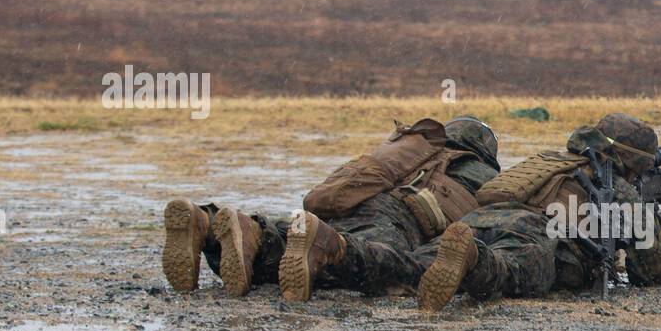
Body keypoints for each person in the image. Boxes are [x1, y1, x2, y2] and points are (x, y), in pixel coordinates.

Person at [290, 113, 661, 311]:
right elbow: (653, 271)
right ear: (633, 162)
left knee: (408, 268)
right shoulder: (620, 189)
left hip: (476, 220)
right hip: (536, 237)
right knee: (502, 273)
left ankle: (337, 248)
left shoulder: (550, 162)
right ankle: (473, 259)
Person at [160, 116, 499, 299]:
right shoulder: (481, 171)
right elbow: (492, 220)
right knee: (383, 266)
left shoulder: (415, 148)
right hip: (397, 216)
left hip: (345, 203)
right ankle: (330, 245)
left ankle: (218, 226)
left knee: (292, 248)